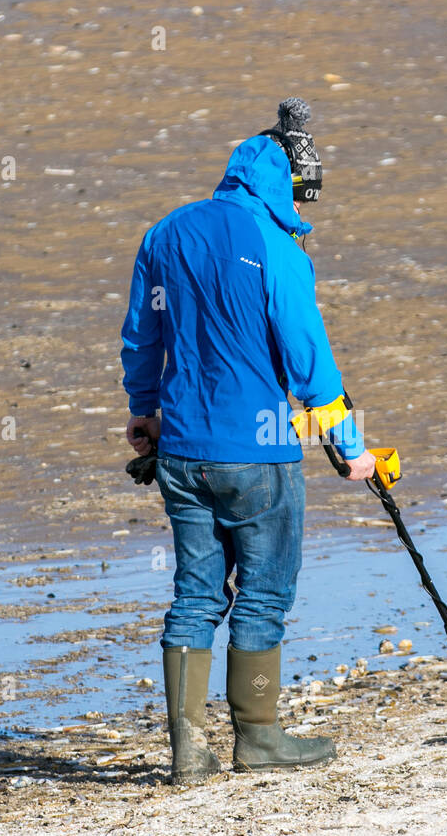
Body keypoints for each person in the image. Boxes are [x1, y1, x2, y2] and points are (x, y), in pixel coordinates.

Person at [120, 97, 376, 785]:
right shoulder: (277, 247)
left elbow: (143, 336)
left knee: (195, 595)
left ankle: (187, 751)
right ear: (282, 186)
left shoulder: (165, 233)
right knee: (263, 592)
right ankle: (258, 737)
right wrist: (352, 449)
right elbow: (308, 361)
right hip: (257, 453)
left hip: (179, 451)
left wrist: (143, 410)